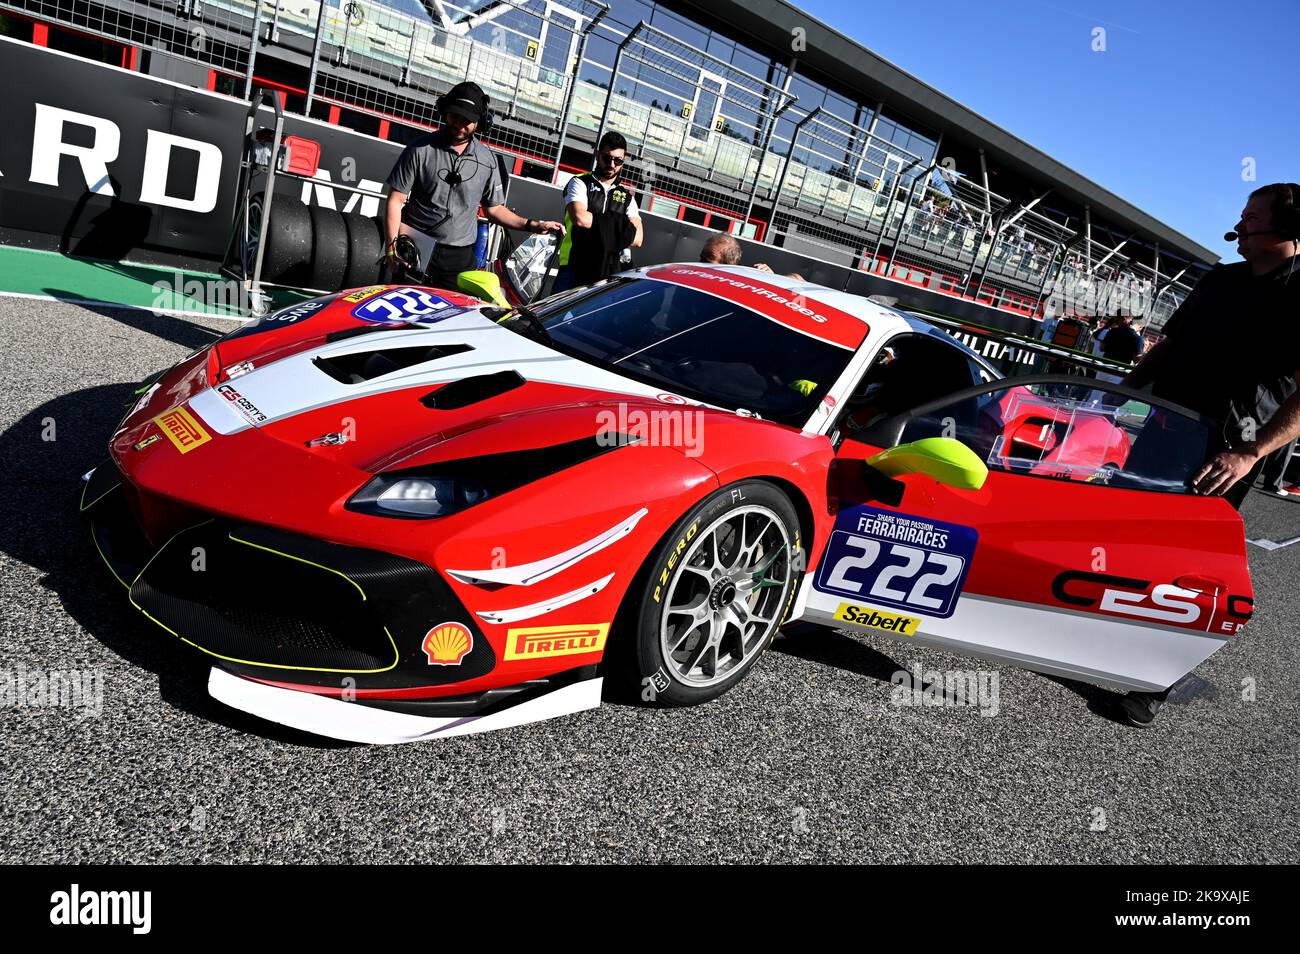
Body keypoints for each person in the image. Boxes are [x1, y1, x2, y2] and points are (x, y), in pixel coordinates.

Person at [384, 81, 563, 290]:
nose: (459, 123)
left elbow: (494, 209)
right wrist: (391, 248)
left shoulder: (488, 160)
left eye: (467, 119)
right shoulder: (419, 149)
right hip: (414, 248)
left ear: (481, 122)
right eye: (454, 115)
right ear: (444, 112)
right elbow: (395, 201)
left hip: (458, 260)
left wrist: (534, 225)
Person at [552, 132, 643, 293]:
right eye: (607, 158)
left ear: (624, 160)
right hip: (574, 264)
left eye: (618, 160)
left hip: (607, 272)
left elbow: (637, 238)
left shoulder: (628, 198)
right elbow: (580, 218)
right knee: (554, 317)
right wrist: (618, 223)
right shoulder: (579, 182)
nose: (612, 164)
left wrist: (600, 222)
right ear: (598, 154)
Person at [699, 234, 773, 272]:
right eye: (702, 258)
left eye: (707, 261)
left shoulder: (746, 279)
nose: (700, 263)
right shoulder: (692, 272)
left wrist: (770, 279)